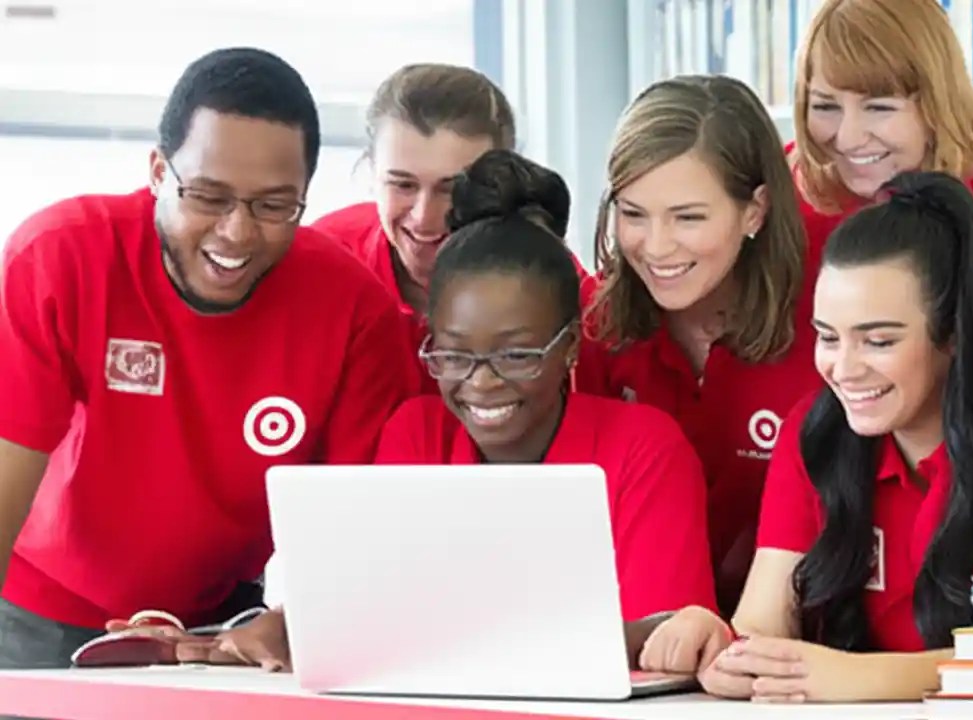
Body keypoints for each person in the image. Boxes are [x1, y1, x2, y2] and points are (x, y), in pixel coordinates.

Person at [172, 149, 723, 674]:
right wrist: (296, 626)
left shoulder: (643, 449)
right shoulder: (417, 435)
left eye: (517, 356)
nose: (481, 382)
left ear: (571, 346)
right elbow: (380, 615)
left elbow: (664, 645)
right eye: (454, 356)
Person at [0, 47, 418, 668]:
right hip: (37, 610)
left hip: (222, 628)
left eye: (273, 205)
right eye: (207, 196)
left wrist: (291, 622)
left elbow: (354, 525)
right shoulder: (60, 257)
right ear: (157, 172)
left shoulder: (354, 310)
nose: (236, 233)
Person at [653, 170, 973, 702]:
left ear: (954, 333)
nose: (843, 369)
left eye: (878, 341)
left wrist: (864, 678)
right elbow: (763, 624)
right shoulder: (813, 430)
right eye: (828, 338)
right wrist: (729, 652)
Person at [576, 74, 821, 621]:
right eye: (633, 214)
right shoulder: (596, 321)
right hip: (642, 634)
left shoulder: (826, 322)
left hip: (800, 635)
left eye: (688, 217)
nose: (656, 246)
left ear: (755, 210)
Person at [789, 0, 973, 347]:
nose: (847, 138)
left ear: (939, 102)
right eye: (825, 106)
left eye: (879, 107)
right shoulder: (777, 184)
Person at [309, 64, 516, 371]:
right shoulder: (322, 264)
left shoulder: (548, 280)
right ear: (371, 171)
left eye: (452, 189)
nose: (423, 218)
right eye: (403, 185)